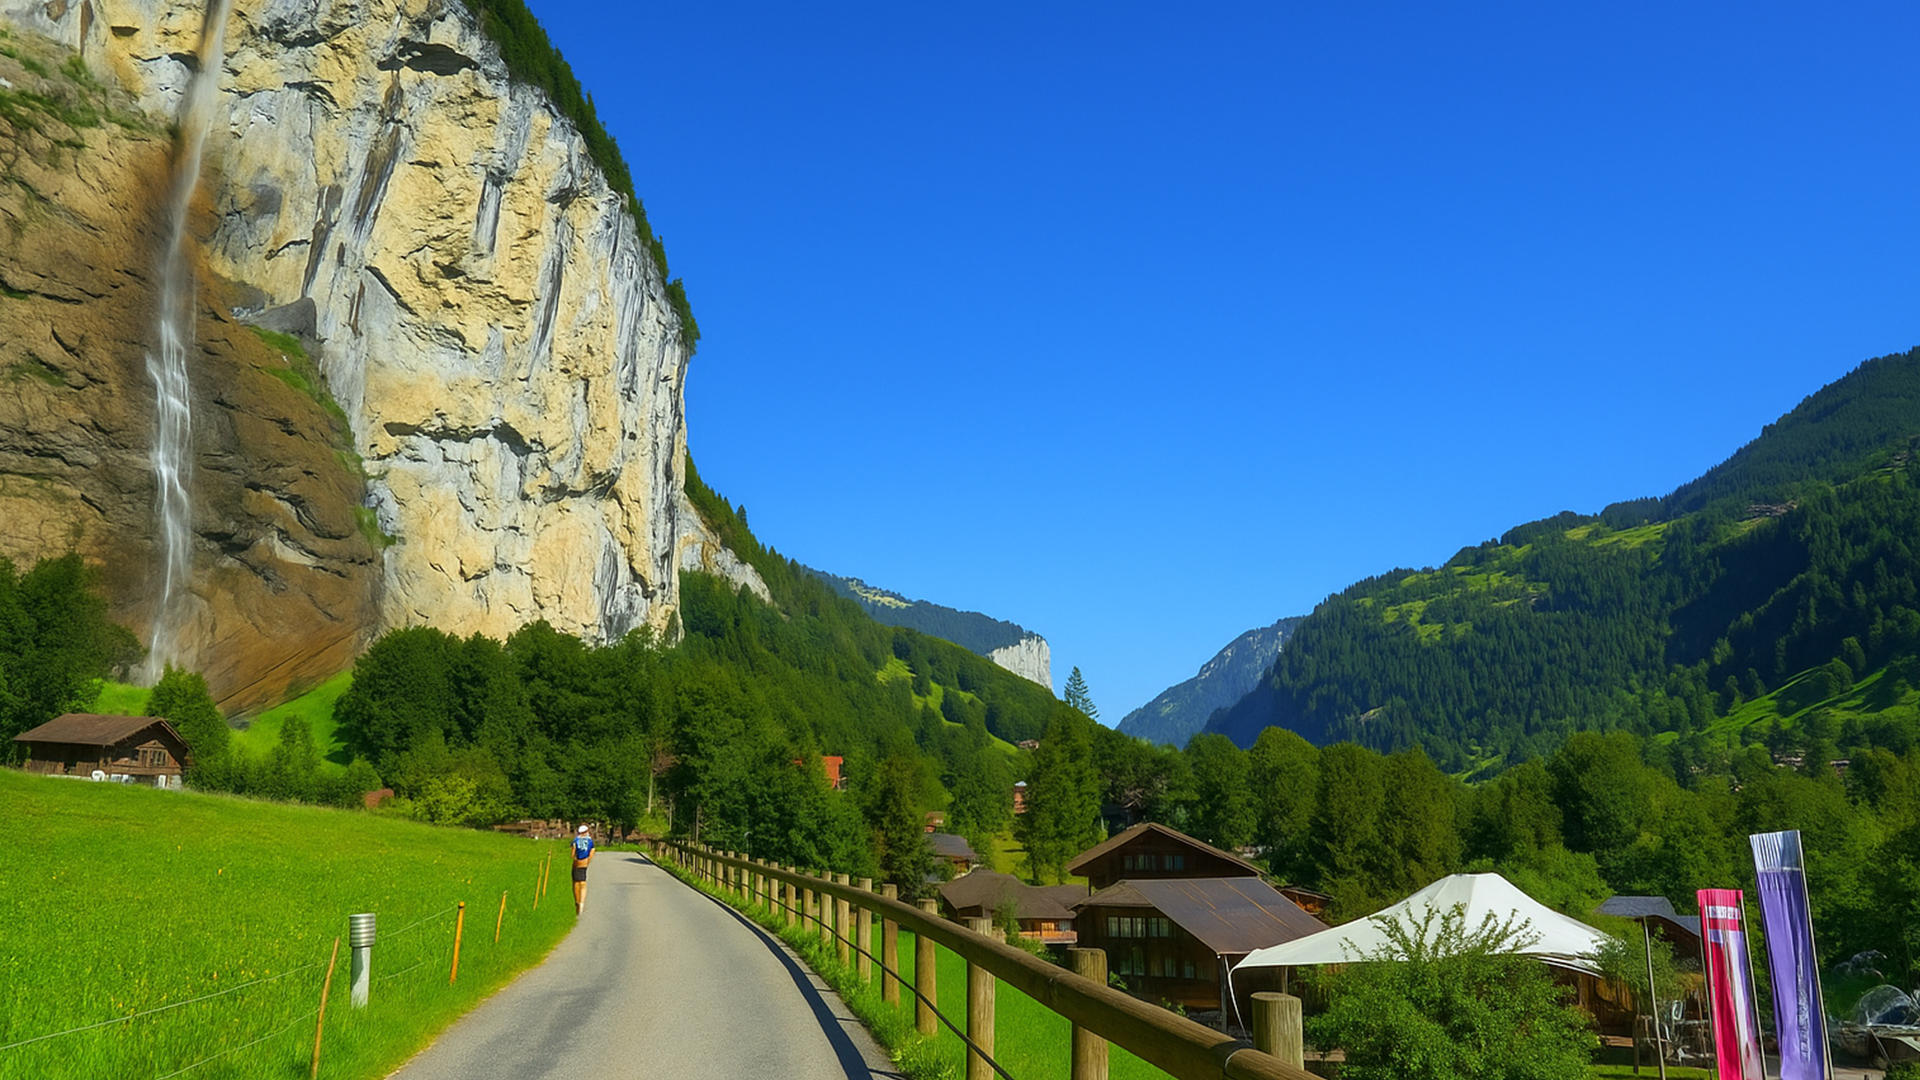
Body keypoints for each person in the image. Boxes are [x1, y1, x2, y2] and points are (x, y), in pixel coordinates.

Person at [571, 824, 595, 914]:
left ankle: (577, 900)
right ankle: (582, 903)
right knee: (583, 883)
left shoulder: (575, 841)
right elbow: (592, 852)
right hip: (585, 863)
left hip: (577, 863)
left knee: (576, 883)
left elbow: (573, 854)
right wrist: (588, 861)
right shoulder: (590, 841)